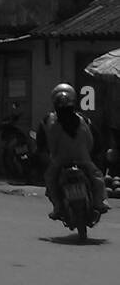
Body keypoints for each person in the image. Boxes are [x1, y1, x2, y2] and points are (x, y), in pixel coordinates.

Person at [42, 82, 108, 219]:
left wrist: (50, 156)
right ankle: (100, 202)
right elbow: (92, 140)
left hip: (59, 160)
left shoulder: (49, 121)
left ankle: (58, 207)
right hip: (83, 159)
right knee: (97, 177)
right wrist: (90, 154)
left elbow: (47, 143)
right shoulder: (83, 120)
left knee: (50, 180)